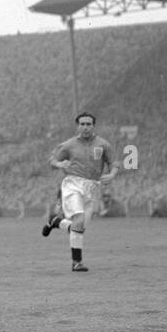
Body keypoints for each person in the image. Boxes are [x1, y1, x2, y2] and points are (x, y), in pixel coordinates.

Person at [40, 111, 117, 272]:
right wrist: (60, 165)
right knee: (79, 219)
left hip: (93, 187)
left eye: (88, 124)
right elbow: (52, 160)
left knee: (78, 227)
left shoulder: (103, 144)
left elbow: (113, 161)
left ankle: (56, 222)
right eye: (82, 124)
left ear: (93, 126)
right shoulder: (69, 144)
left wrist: (112, 174)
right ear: (78, 126)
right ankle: (77, 263)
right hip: (72, 184)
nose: (85, 127)